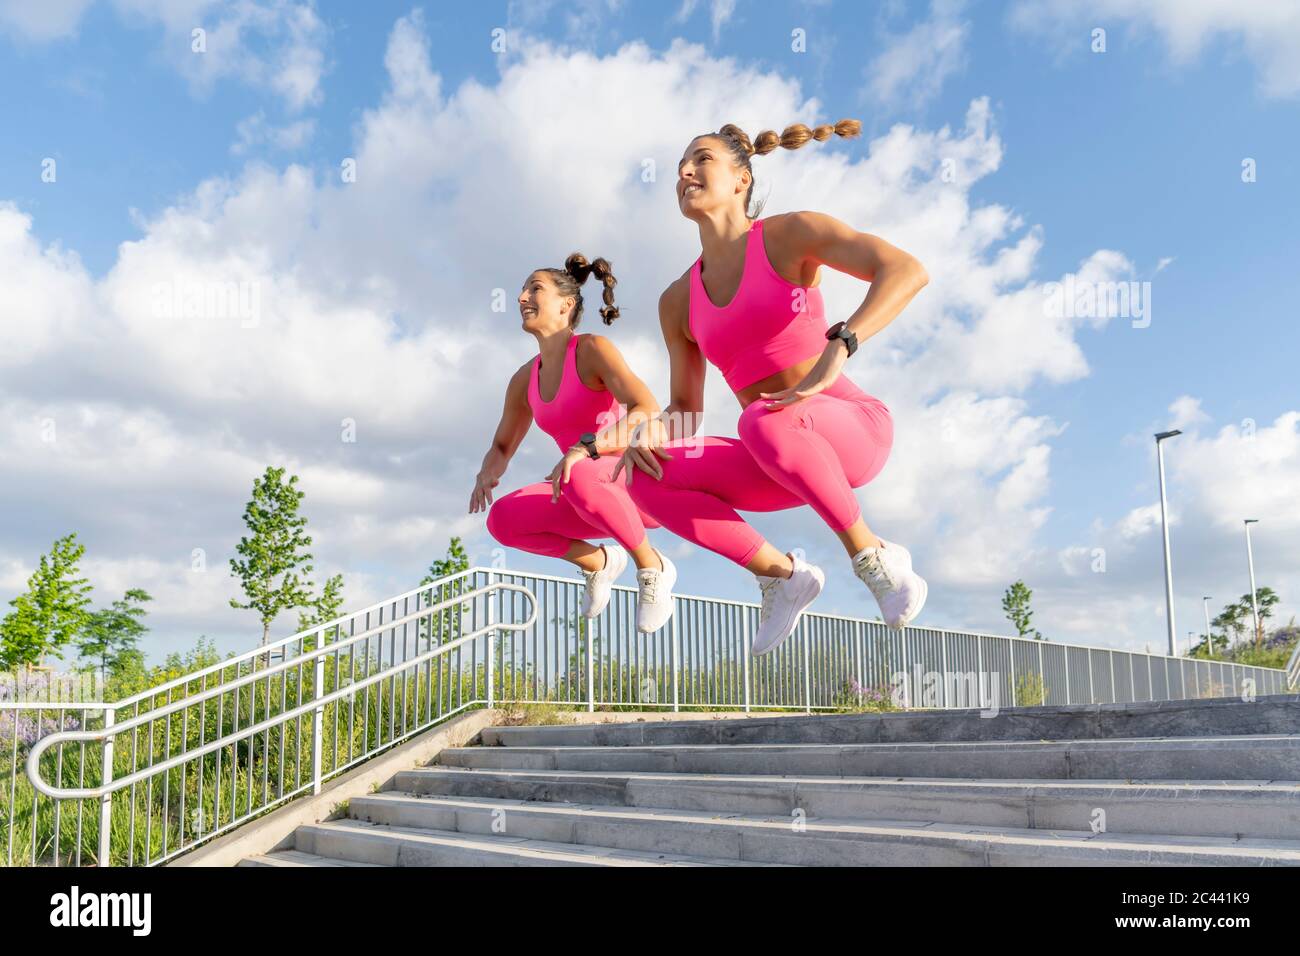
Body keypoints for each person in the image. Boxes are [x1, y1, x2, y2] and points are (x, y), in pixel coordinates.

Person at [613, 121, 928, 656]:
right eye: (679, 168)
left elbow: (905, 270)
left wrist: (842, 342)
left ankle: (874, 556)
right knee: (643, 475)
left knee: (759, 417)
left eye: (701, 160)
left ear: (741, 178)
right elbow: (687, 411)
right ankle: (782, 577)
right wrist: (648, 432)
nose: (685, 172)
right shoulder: (676, 301)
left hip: (850, 428)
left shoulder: (788, 235)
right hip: (775, 454)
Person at [470, 254, 676, 632]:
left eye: (535, 289)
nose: (521, 297)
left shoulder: (592, 349)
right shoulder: (522, 380)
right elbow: (502, 446)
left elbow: (645, 407)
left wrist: (585, 448)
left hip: (634, 484)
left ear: (567, 305)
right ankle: (598, 562)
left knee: (580, 473)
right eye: (522, 290)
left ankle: (653, 566)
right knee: (503, 521)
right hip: (582, 489)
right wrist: (487, 472)